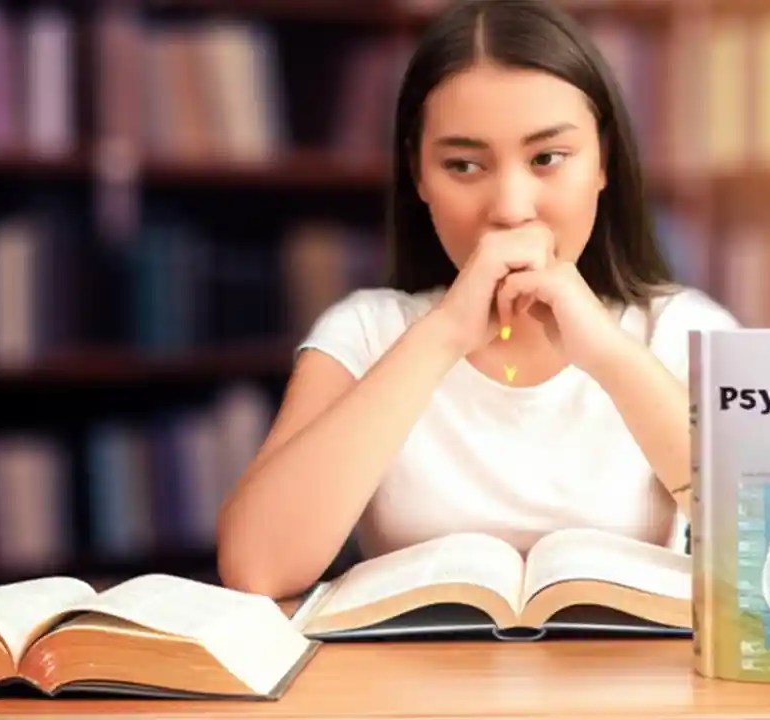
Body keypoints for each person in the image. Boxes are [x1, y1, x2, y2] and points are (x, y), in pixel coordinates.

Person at [216, 0, 738, 600]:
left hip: (628, 688)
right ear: (418, 175)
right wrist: (443, 335)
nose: (511, 207)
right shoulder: (366, 331)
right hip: (409, 690)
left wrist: (607, 354)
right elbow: (257, 568)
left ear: (604, 163)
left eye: (548, 159)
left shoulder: (681, 328)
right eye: (464, 165)